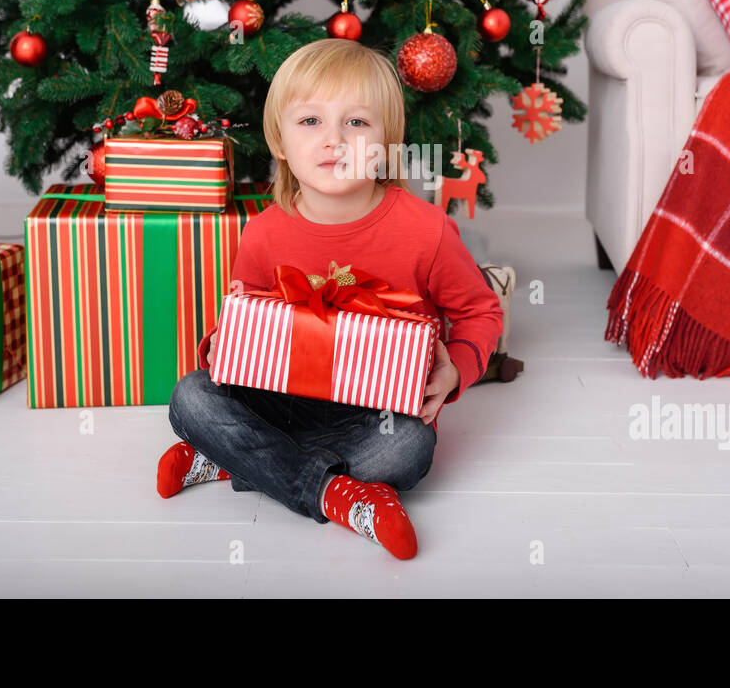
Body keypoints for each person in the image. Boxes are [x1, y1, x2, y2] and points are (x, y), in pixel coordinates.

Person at [158, 38, 504, 560]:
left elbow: (479, 311)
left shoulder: (425, 231)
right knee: (191, 395)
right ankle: (339, 496)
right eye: (311, 122)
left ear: (388, 141)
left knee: (407, 449)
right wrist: (224, 343)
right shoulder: (265, 233)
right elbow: (240, 328)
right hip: (279, 400)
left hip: (374, 412)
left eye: (357, 124)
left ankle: (235, 459)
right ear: (279, 141)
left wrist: (455, 369)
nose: (335, 141)